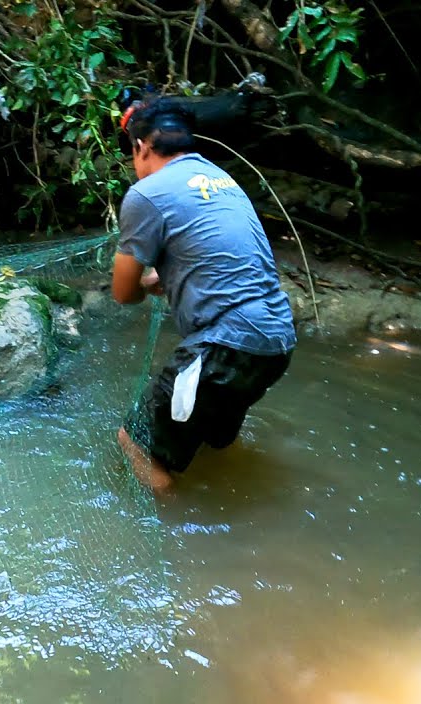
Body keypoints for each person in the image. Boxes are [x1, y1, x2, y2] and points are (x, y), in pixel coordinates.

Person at [111, 97, 297, 493]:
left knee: (135, 441)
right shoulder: (220, 178)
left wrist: (143, 286)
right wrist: (170, 275)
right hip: (276, 341)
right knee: (216, 442)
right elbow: (221, 251)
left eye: (133, 154)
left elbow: (122, 293)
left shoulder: (146, 194)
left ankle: (179, 538)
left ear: (141, 147)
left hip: (226, 345)